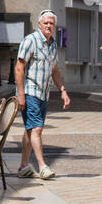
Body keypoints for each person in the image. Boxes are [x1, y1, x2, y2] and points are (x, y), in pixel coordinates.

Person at [15, 11, 70, 180]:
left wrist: (63, 90)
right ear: (39, 24)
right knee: (37, 129)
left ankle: (24, 166)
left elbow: (54, 70)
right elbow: (19, 67)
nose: (48, 26)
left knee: (30, 130)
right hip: (30, 91)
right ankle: (43, 166)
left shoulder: (53, 44)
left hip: (44, 94)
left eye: (51, 23)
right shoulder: (30, 40)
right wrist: (21, 94)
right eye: (46, 23)